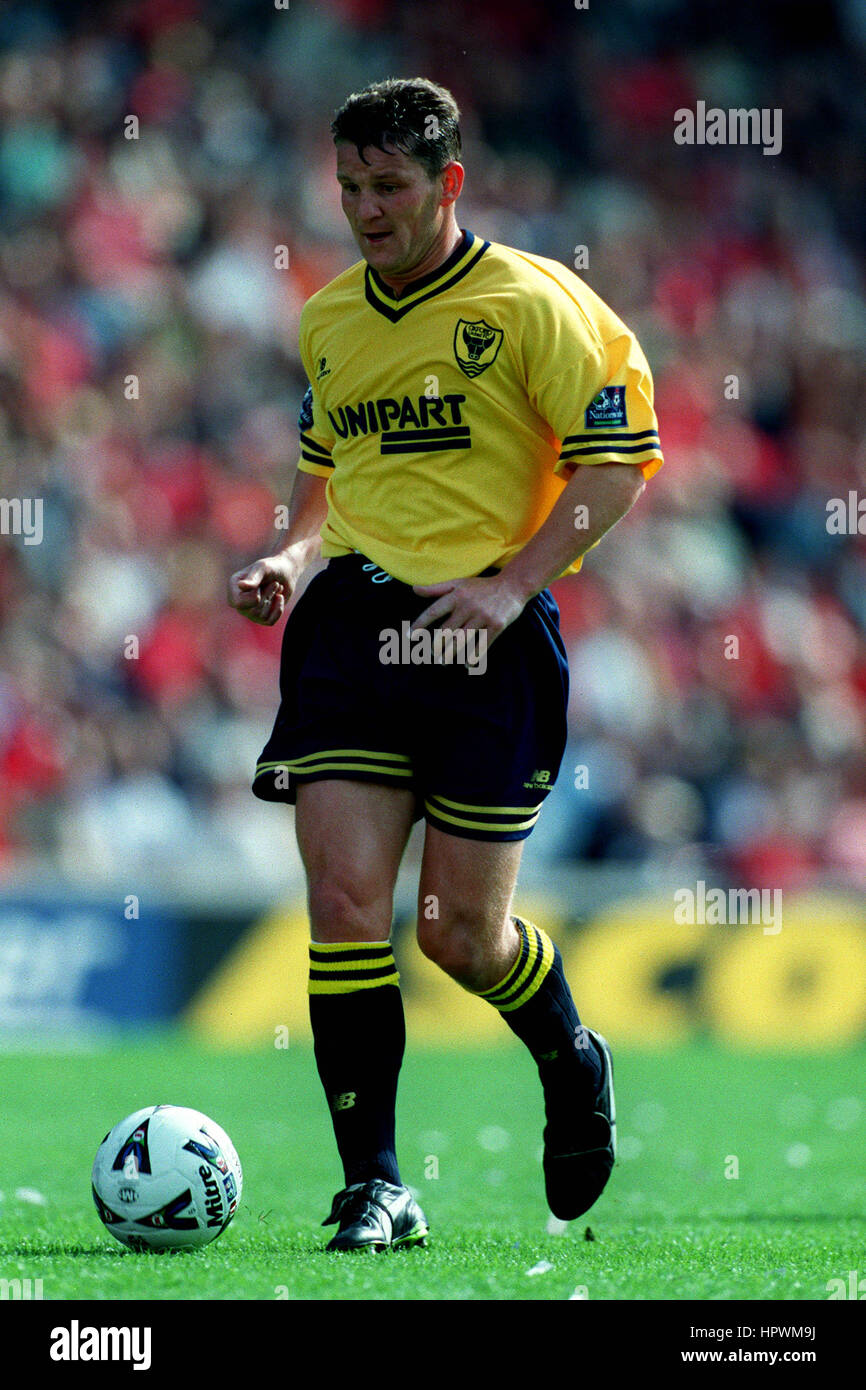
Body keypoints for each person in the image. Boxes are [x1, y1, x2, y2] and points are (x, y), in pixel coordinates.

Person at [228, 77, 663, 1251]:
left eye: (389, 187)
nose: (365, 209)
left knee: (458, 937)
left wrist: (513, 583)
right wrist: (290, 547)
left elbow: (618, 463)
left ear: (448, 184)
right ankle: (374, 1179)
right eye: (350, 186)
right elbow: (330, 468)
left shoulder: (533, 302)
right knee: (343, 902)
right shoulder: (327, 319)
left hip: (488, 639)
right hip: (353, 633)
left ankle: (569, 1054)